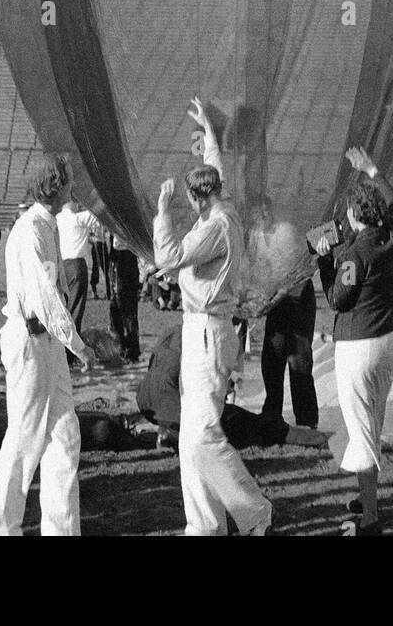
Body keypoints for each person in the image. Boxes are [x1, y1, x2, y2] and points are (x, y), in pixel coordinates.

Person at [153, 114, 272, 538]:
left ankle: (254, 512)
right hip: (202, 328)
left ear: (199, 200)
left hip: (208, 330)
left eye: (188, 200)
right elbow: (215, 174)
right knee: (190, 440)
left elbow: (168, 257)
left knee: (202, 435)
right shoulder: (222, 209)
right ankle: (204, 527)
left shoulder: (216, 225)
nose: (187, 205)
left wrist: (163, 212)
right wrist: (209, 133)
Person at [0, 155, 92, 536]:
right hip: (29, 340)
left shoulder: (51, 226)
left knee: (65, 434)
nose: (72, 188)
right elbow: (46, 299)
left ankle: (61, 531)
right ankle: (2, 529)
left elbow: (56, 296)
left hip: (48, 341)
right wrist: (79, 344)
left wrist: (71, 341)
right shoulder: (29, 230)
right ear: (55, 184)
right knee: (24, 437)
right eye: (68, 181)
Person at [315, 146, 393, 535]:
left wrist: (323, 261)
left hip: (358, 343)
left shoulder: (353, 253)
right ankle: (368, 500)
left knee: (361, 431)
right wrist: (370, 169)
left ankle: (369, 518)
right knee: (374, 424)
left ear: (353, 215)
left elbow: (337, 299)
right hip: (388, 338)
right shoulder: (390, 234)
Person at [260, 278, 319, 434]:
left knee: (300, 361)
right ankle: (272, 416)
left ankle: (306, 421)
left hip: (300, 295)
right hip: (277, 295)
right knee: (272, 358)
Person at [57, 197, 96, 339]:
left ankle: (63, 345)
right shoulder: (78, 218)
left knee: (63, 306)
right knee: (75, 308)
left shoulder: (57, 219)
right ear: (72, 203)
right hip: (76, 266)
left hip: (61, 266)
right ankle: (71, 350)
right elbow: (98, 212)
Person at [109, 232, 141, 362]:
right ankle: (124, 346)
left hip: (124, 258)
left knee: (126, 309)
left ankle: (129, 349)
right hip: (122, 259)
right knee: (119, 307)